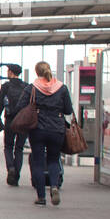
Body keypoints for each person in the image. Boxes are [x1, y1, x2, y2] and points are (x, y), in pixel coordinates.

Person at [27, 61, 74, 207]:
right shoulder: (62, 88)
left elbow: (21, 107)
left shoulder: (32, 88)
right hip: (57, 129)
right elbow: (68, 110)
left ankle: (41, 197)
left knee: (38, 162)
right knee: (54, 160)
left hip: (38, 129)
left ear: (36, 72)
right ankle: (54, 186)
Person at [0, 64, 30, 187]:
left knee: (8, 146)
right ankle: (16, 177)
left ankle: (10, 168)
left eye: (8, 70)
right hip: (23, 121)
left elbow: (0, 105)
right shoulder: (26, 86)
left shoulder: (6, 86)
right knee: (19, 149)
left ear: (11, 72)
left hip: (10, 120)